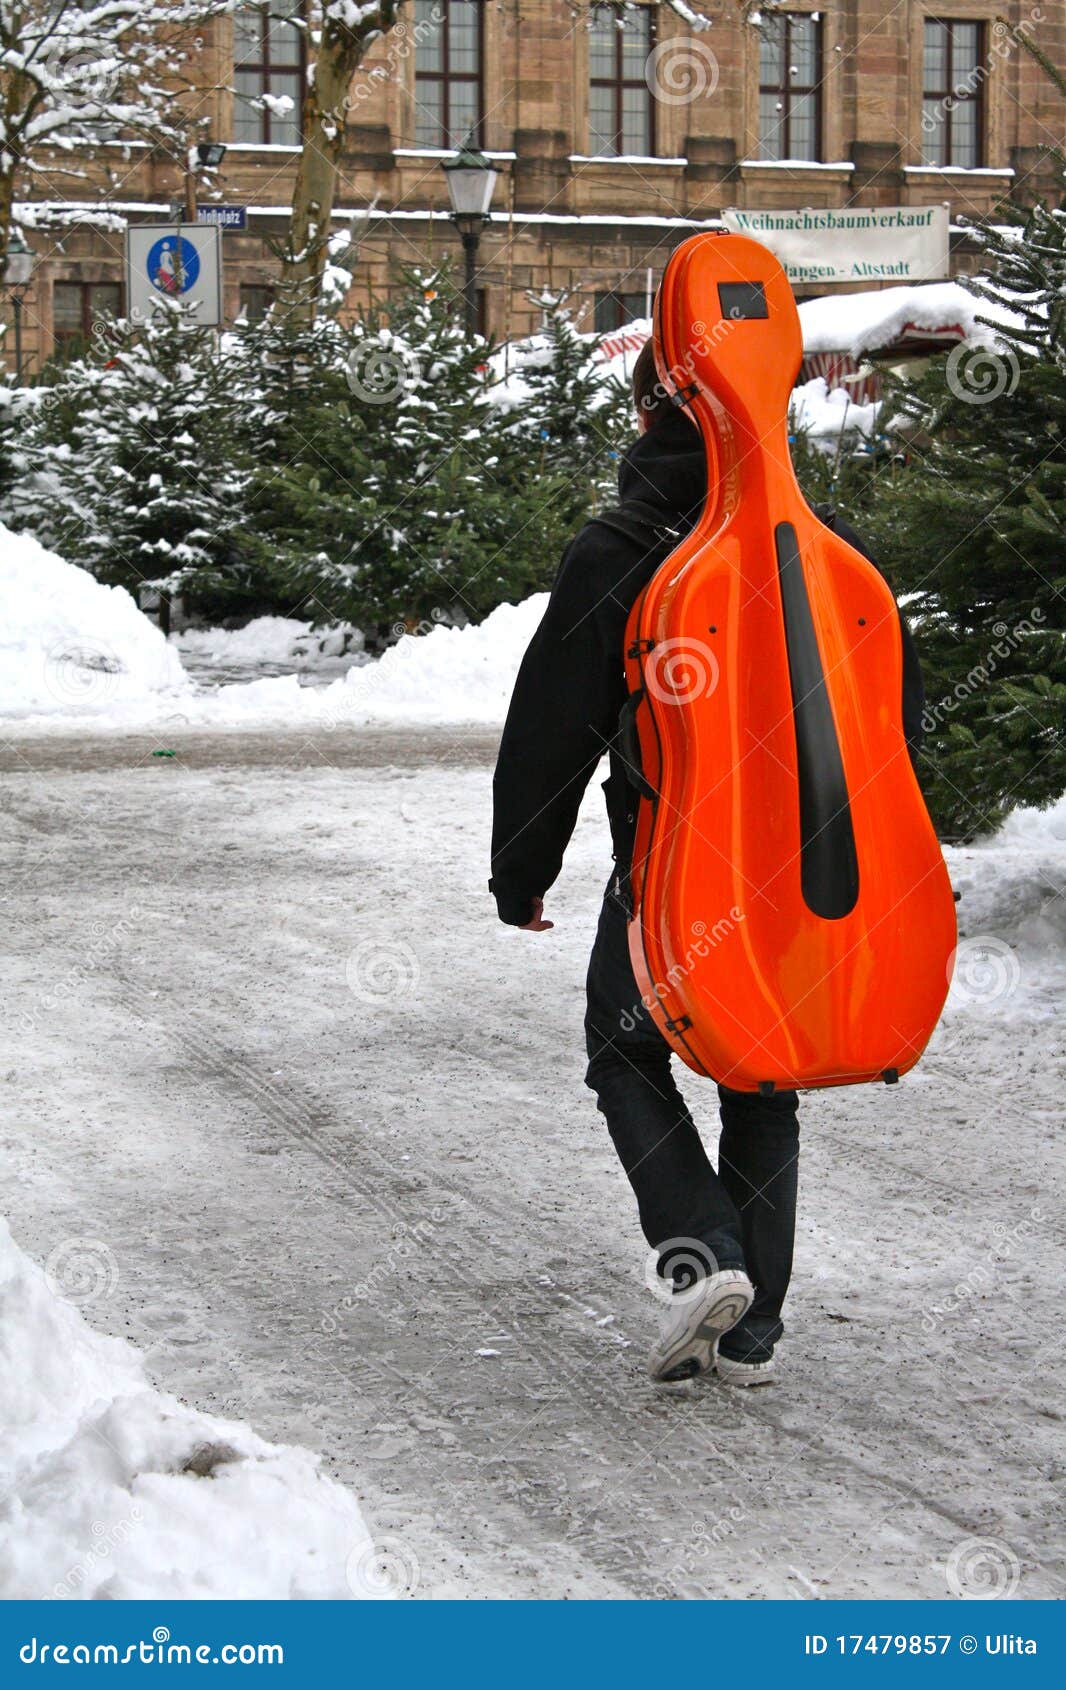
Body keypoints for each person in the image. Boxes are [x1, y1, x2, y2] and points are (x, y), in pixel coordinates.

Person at [490, 339, 924, 1386]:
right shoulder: (827, 548)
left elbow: (554, 727)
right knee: (761, 1070)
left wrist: (522, 871)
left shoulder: (620, 548)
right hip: (801, 865)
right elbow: (889, 720)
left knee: (624, 1049)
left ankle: (706, 1256)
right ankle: (751, 1330)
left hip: (671, 868)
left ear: (649, 416)